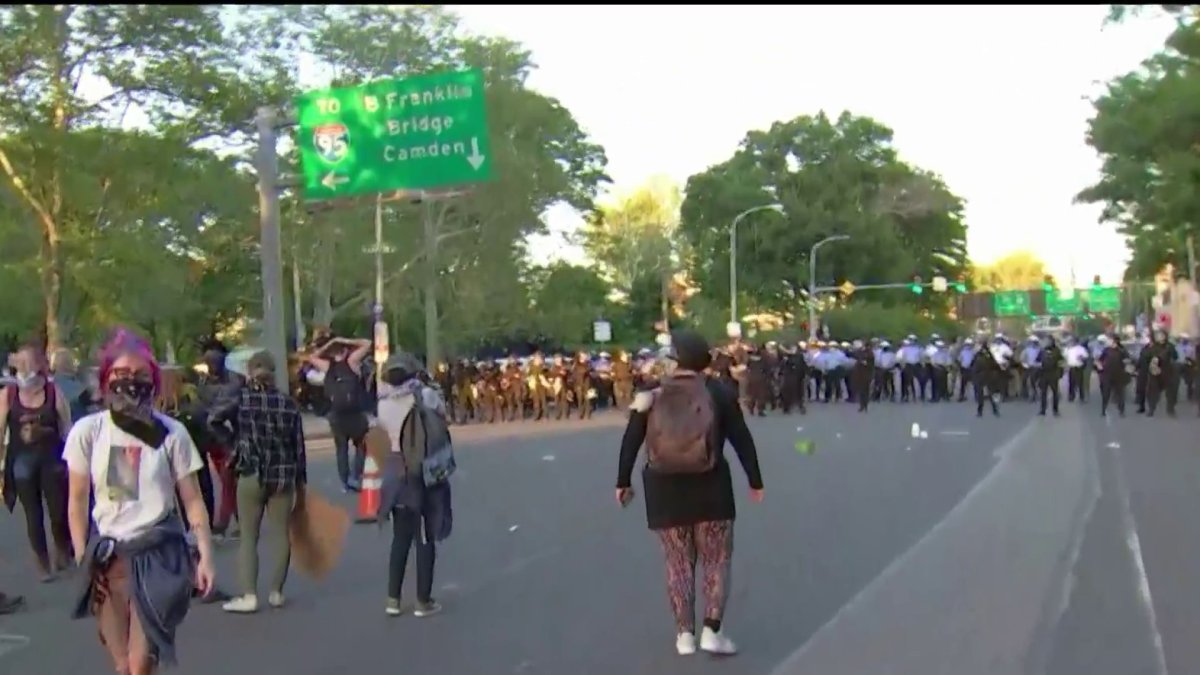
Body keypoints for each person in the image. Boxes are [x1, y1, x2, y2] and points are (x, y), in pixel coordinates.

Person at [65, 329, 214, 675]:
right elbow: (76, 500)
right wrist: (81, 554)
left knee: (140, 665)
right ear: (104, 381)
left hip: (158, 556)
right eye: (120, 376)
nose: (130, 384)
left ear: (154, 382)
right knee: (122, 665)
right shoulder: (90, 432)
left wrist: (205, 556)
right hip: (109, 557)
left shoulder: (171, 433)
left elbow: (192, 500)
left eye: (140, 376)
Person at [615, 330, 764, 657]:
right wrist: (755, 480)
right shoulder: (720, 392)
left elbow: (632, 438)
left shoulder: (651, 394)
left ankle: (684, 635)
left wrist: (623, 481)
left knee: (677, 563)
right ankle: (712, 631)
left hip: (663, 487)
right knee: (716, 560)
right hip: (712, 486)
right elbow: (741, 439)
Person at [208, 351, 306, 613]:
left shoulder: (241, 398)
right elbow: (298, 446)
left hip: (251, 472)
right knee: (281, 534)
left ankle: (249, 595)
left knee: (249, 537)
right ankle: (276, 592)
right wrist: (300, 483)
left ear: (249, 372)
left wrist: (234, 447)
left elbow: (213, 420)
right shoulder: (287, 403)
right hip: (283, 474)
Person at [376, 352, 453, 618]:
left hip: (395, 467)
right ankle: (423, 600)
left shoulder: (382, 403)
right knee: (425, 536)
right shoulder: (425, 396)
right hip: (424, 468)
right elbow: (443, 417)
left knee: (400, 537)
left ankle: (393, 599)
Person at [0, 343, 74, 580]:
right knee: (32, 513)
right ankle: (42, 563)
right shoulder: (9, 394)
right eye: (20, 364)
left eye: (29, 363)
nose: (24, 369)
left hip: (52, 458)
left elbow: (67, 427)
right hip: (22, 460)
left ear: (40, 365)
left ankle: (63, 549)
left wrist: (73, 457)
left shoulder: (53, 392)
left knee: (58, 509)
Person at [307, 337, 371, 492]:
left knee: (341, 449)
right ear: (346, 351)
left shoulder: (328, 367)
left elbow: (312, 357)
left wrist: (330, 344)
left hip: (336, 415)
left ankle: (345, 481)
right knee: (362, 446)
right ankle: (356, 477)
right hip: (355, 413)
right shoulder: (352, 362)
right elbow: (367, 343)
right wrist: (344, 340)